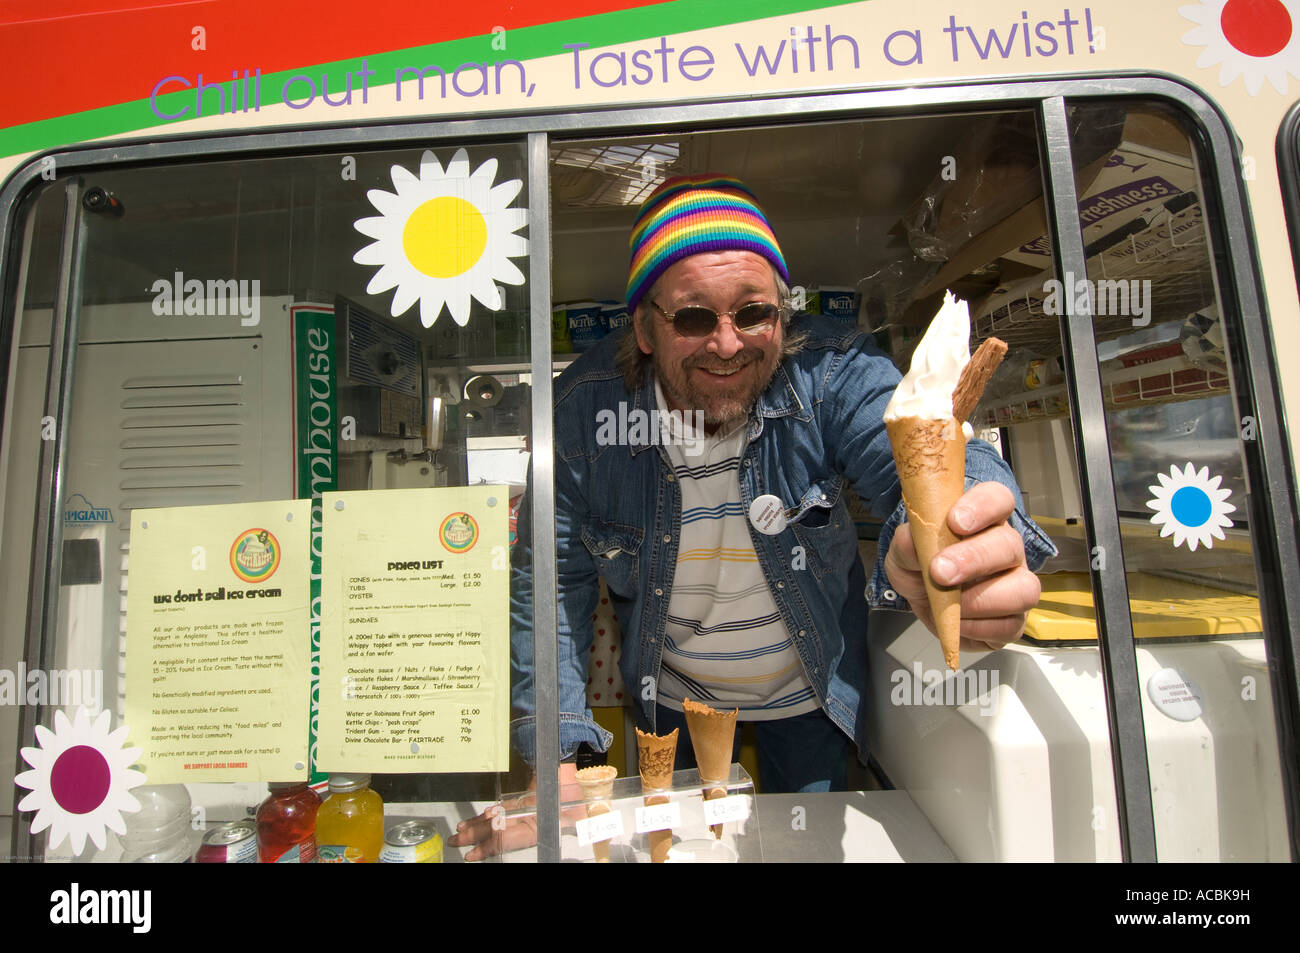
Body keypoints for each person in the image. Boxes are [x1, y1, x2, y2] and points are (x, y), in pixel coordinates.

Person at [451, 174, 1056, 858]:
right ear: (646, 328)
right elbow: (553, 581)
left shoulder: (834, 372)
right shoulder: (585, 410)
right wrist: (556, 760)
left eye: (753, 313)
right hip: (671, 703)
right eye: (693, 318)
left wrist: (963, 534)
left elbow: (929, 450)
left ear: (783, 316)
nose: (728, 343)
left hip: (813, 695)